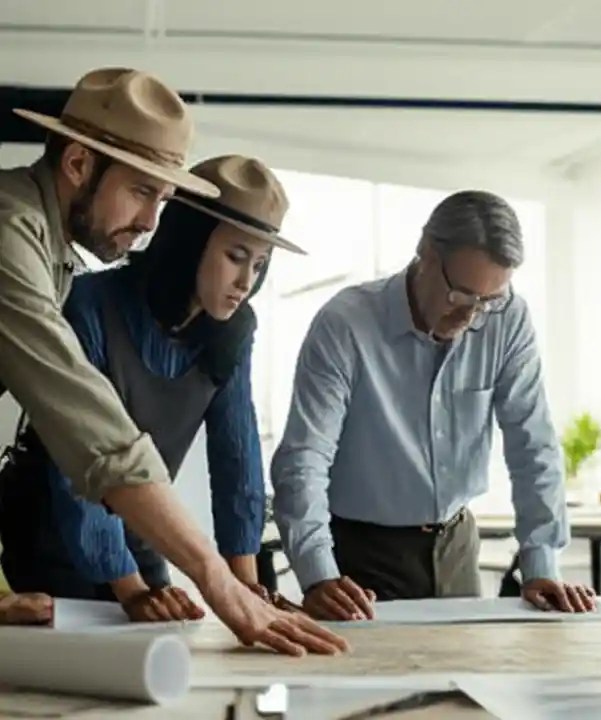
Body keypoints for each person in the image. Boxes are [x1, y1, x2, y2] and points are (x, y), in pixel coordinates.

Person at [0, 67, 345, 655]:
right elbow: (91, 431)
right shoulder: (10, 234)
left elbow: (235, 464)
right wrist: (218, 583)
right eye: (140, 191)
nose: (150, 223)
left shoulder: (51, 247)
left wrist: (245, 581)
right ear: (79, 164)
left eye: (162, 199)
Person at [271, 190, 597, 621]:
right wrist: (318, 575)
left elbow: (532, 442)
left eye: (488, 301)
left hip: (456, 546)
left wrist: (540, 564)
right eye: (461, 294)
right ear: (425, 252)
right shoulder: (345, 324)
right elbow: (304, 459)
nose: (471, 316)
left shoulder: (508, 317)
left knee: (462, 684)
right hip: (359, 558)